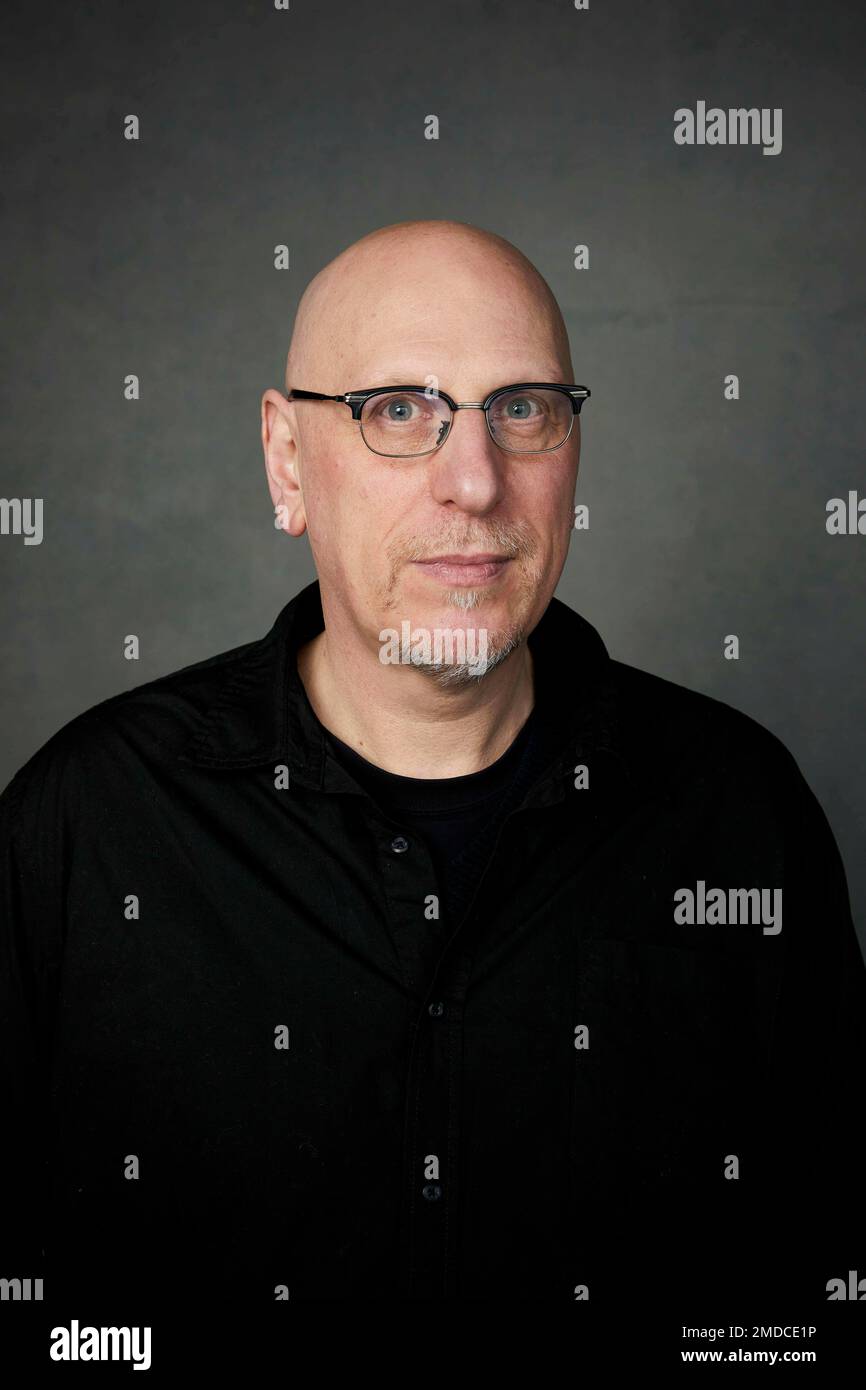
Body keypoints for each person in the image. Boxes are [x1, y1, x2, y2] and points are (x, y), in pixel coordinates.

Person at [1, 219, 863, 1314]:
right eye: (397, 410)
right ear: (285, 458)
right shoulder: (87, 823)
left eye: (521, 409)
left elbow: (810, 1298)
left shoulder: (738, 814)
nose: (474, 479)